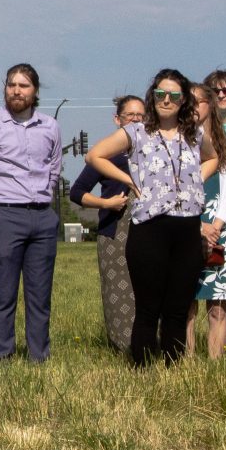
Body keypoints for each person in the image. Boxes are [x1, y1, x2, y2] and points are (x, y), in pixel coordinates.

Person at [86, 69, 219, 365]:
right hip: (149, 228)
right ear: (153, 96)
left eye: (174, 95)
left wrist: (196, 179)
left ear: (183, 100)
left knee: (178, 306)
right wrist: (129, 180)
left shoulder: (194, 133)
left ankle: (172, 370)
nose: (167, 100)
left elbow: (213, 158)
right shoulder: (137, 131)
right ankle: (143, 371)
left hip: (187, 228)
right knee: (148, 308)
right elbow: (94, 155)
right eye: (160, 94)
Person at [0, 64, 62, 362]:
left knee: (40, 295)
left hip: (42, 217)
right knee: (4, 293)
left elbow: (54, 171)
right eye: (11, 85)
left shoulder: (50, 127)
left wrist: (45, 204)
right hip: (5, 214)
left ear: (35, 92)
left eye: (24, 85)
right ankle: (1, 356)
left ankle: (39, 357)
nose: (17, 90)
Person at [69, 96, 145, 354]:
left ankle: (153, 346)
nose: (136, 119)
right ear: (117, 119)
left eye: (141, 115)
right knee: (119, 290)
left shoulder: (153, 151)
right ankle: (124, 348)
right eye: (130, 115)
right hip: (115, 233)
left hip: (149, 231)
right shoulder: (107, 154)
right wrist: (106, 203)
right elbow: (77, 192)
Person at [193, 72, 226, 358]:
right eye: (213, 93)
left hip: (223, 226)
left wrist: (216, 224)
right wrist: (198, 225)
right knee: (186, 302)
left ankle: (215, 366)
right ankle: (185, 364)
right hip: (188, 225)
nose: (220, 96)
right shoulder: (181, 140)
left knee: (218, 305)